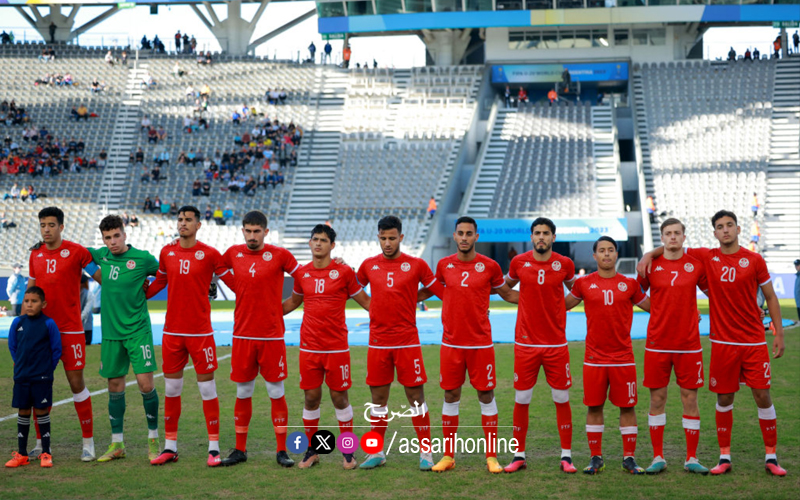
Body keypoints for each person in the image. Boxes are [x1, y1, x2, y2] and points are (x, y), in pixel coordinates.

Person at [637, 210, 787, 476]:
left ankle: (772, 457)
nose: (725, 230)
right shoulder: (706, 257)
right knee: (723, 397)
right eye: (720, 226)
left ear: (738, 229)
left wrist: (778, 331)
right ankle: (724, 456)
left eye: (729, 225)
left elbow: (770, 296)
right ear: (715, 232)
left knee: (762, 395)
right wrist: (650, 253)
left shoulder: (752, 260)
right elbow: (671, 248)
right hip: (720, 342)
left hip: (752, 341)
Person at [419, 217, 518, 473]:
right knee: (450, 395)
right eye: (460, 233)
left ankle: (491, 457)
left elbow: (507, 293)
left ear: (476, 237)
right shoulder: (443, 265)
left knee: (486, 395)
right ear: (454, 236)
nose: (464, 237)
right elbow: (428, 291)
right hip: (451, 344)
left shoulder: (490, 266)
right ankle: (448, 456)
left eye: (469, 233)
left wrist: (542, 299)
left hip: (481, 344)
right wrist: (398, 298)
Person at [145, 207, 230, 467]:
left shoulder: (211, 254)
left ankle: (213, 448)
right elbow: (157, 284)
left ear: (198, 225)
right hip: (172, 332)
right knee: (172, 389)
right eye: (180, 219)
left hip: (200, 333)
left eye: (188, 220)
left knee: (207, 389)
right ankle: (170, 447)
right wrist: (128, 291)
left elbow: (234, 280)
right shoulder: (167, 252)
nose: (182, 223)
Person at [355, 216, 442, 471]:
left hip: (407, 342)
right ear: (378, 237)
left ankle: (426, 453)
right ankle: (376, 452)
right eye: (383, 238)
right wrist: (372, 306)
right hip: (378, 343)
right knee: (378, 399)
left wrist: (411, 298)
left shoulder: (416, 265)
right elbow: (351, 287)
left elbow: (438, 289)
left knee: (415, 397)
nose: (387, 243)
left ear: (401, 237)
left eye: (392, 238)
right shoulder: (369, 265)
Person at [282, 224, 371, 470]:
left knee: (339, 398)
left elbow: (366, 302)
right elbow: (292, 302)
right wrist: (266, 314)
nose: (318, 243)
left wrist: (393, 314)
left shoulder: (343, 272)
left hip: (336, 348)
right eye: (314, 239)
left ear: (332, 245)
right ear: (310, 243)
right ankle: (312, 451)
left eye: (323, 240)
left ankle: (348, 451)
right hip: (309, 348)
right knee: (310, 398)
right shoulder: (301, 274)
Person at [218, 211, 299, 468]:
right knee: (243, 391)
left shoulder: (280, 255)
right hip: (242, 335)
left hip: (271, 336)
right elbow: (216, 267)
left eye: (257, 231)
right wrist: (235, 285)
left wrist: (285, 306)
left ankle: (282, 450)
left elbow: (304, 277)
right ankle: (240, 449)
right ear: (243, 231)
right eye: (248, 231)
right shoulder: (232, 253)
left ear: (266, 231)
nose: (252, 236)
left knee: (276, 391)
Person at [565, 236, 651, 475]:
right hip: (594, 358)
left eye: (610, 250)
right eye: (601, 250)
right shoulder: (583, 284)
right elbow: (561, 306)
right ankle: (595, 458)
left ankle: (629, 458)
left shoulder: (629, 284)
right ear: (594, 256)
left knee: (628, 407)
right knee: (594, 406)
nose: (606, 254)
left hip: (623, 357)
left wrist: (683, 311)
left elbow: (653, 306)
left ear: (616, 255)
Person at [503, 218, 578, 474]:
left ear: (553, 237)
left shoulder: (565, 264)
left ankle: (566, 456)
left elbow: (576, 292)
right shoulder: (519, 262)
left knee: (561, 397)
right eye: (537, 233)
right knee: (522, 398)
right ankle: (519, 454)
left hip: (556, 343)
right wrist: (522, 300)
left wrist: (559, 308)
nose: (541, 237)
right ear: (531, 237)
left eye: (546, 233)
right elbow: (505, 288)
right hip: (525, 343)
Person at [636, 219, 709, 475]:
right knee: (657, 399)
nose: (673, 237)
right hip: (657, 343)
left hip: (689, 344)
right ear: (662, 238)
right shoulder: (650, 265)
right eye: (668, 233)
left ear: (684, 236)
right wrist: (659, 311)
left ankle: (691, 457)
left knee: (690, 398)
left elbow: (715, 293)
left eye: (677, 232)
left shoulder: (696, 265)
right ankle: (658, 457)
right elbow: (635, 295)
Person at [89, 215, 161, 464]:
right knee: (115, 387)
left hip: (138, 331)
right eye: (107, 238)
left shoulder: (142, 259)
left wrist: (150, 290)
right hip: (110, 333)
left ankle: (154, 441)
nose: (112, 242)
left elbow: (165, 272)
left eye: (116, 236)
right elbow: (78, 255)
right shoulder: (100, 256)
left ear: (124, 234)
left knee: (145, 385)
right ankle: (117, 444)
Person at [27, 206, 97, 461]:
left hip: (71, 330)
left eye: (51, 225)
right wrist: (26, 321)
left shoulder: (76, 251)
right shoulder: (35, 254)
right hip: (41, 329)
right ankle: (40, 443)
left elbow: (101, 275)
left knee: (76, 383)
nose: (46, 229)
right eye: (43, 225)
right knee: (39, 384)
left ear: (61, 226)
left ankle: (88, 443)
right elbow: (31, 291)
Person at [5, 287, 61, 469]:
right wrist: (21, 365)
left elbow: (56, 350)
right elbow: (13, 347)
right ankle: (21, 454)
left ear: (43, 304)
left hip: (42, 378)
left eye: (34, 301)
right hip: (22, 377)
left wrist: (46, 370)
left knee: (42, 412)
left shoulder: (49, 324)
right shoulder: (17, 322)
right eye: (26, 301)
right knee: (23, 412)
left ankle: (46, 453)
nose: (29, 304)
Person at [80, 274, 93, 346]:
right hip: (82, 325)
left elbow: (86, 311)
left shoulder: (88, 294)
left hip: (85, 325)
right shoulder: (89, 293)